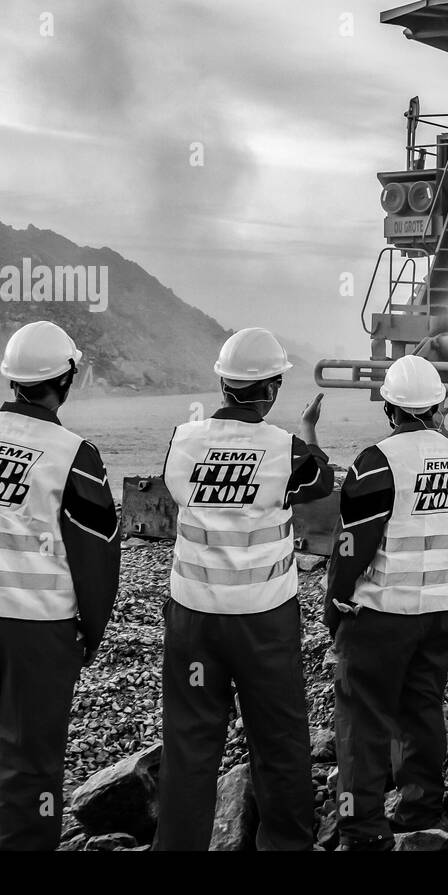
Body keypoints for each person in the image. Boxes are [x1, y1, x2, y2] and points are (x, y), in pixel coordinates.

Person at [0, 320, 120, 851]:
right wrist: (91, 629)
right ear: (67, 379)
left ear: (12, 378)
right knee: (29, 755)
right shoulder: (72, 454)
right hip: (37, 628)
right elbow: (97, 557)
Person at [154, 327, 333, 851]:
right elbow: (320, 481)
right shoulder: (286, 450)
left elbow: (178, 488)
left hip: (194, 618)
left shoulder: (182, 441)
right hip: (264, 622)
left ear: (223, 384)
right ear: (272, 388)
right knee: (278, 739)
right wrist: (308, 430)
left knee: (189, 743)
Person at [325, 354, 448, 850]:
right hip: (435, 614)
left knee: (361, 721)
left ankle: (362, 828)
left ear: (388, 407)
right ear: (437, 406)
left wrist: (336, 599)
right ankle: (421, 811)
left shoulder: (376, 461)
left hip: (378, 617)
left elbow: (352, 544)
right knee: (422, 712)